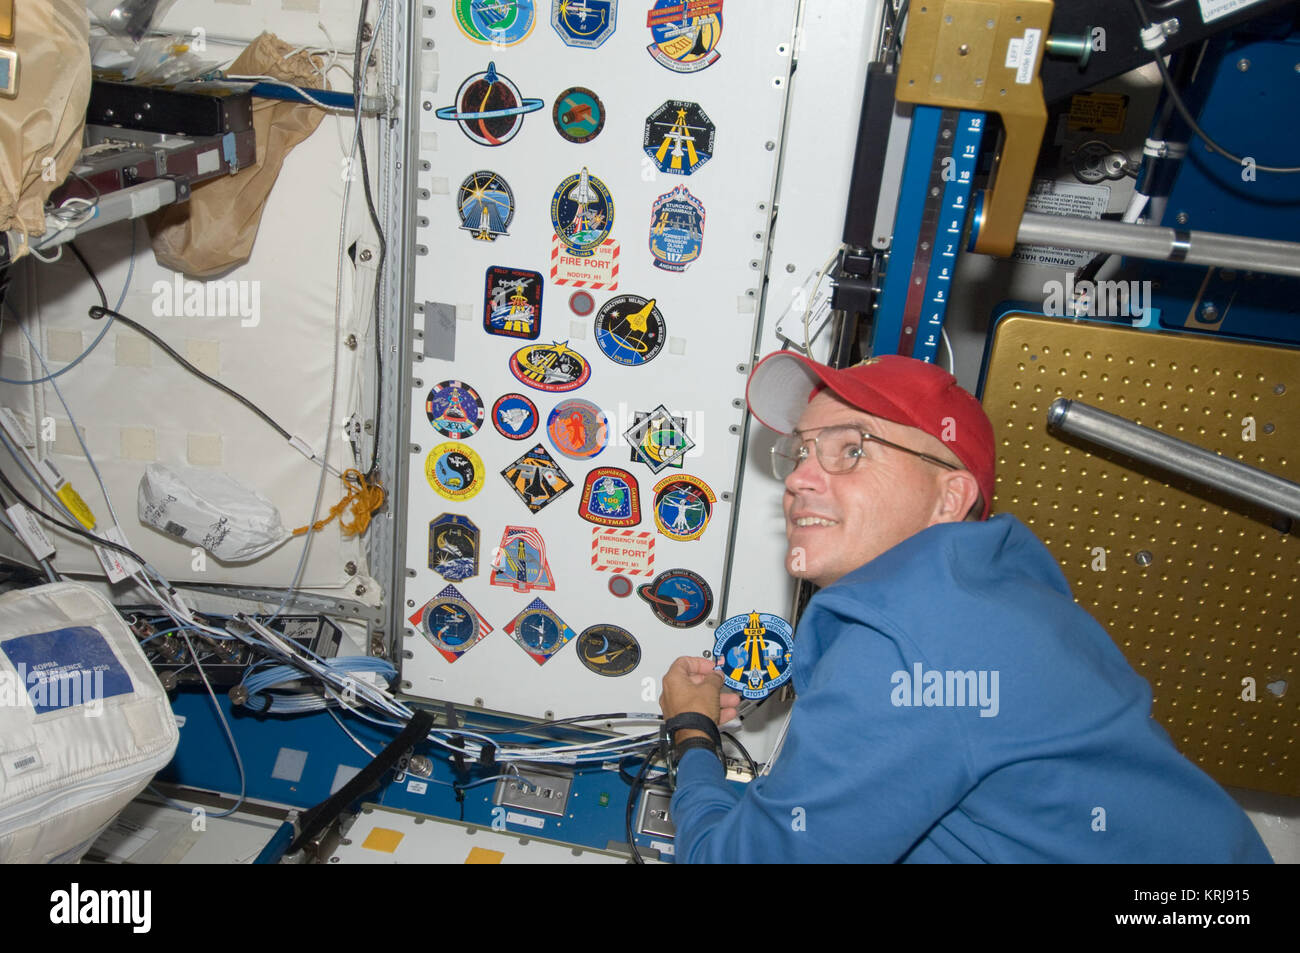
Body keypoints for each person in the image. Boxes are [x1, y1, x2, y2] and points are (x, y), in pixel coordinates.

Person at [658, 351, 1272, 863]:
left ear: (950, 496)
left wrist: (693, 733)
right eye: (801, 452)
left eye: (851, 449)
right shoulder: (996, 601)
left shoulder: (906, 646)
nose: (798, 479)